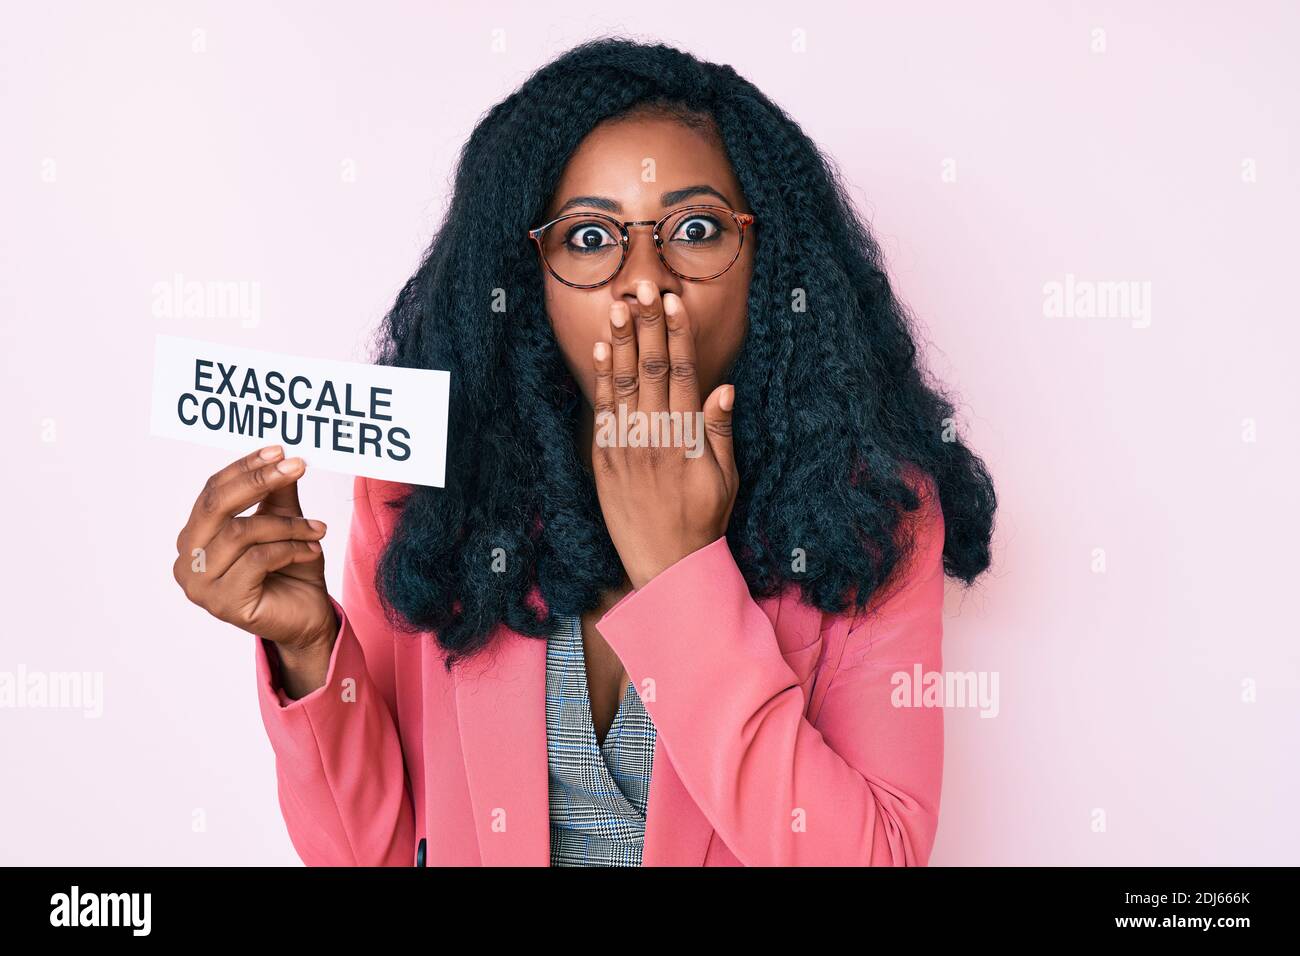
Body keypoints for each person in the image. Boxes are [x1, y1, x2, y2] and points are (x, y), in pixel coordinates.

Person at [171, 37, 996, 867]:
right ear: (527, 278)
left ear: (768, 264)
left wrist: (679, 570)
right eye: (591, 239)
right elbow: (375, 857)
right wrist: (311, 650)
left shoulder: (874, 512)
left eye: (697, 229)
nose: (645, 283)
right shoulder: (422, 496)